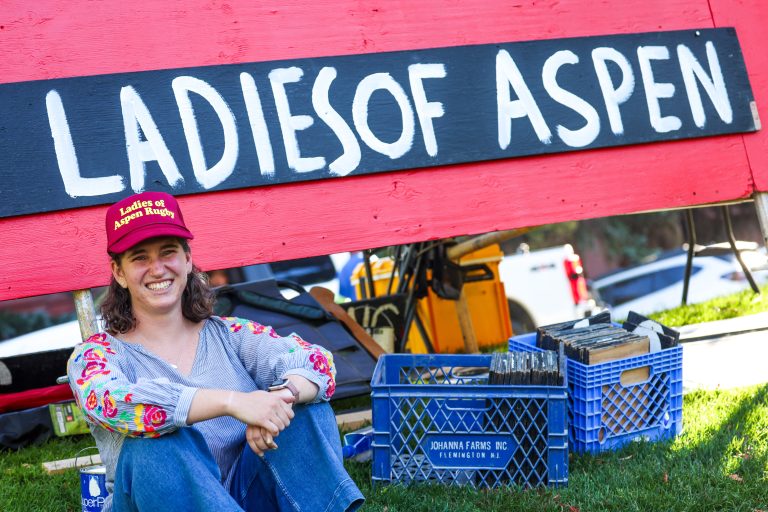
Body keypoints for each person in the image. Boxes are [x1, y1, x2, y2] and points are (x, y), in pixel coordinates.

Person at [67, 191, 364, 512]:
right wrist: (235, 403)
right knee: (156, 447)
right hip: (155, 501)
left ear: (188, 260)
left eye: (168, 252)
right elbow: (115, 403)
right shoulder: (94, 357)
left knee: (306, 406)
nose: (157, 268)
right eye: (140, 257)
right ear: (119, 272)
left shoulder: (231, 333)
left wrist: (281, 398)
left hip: (245, 491)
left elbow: (317, 362)